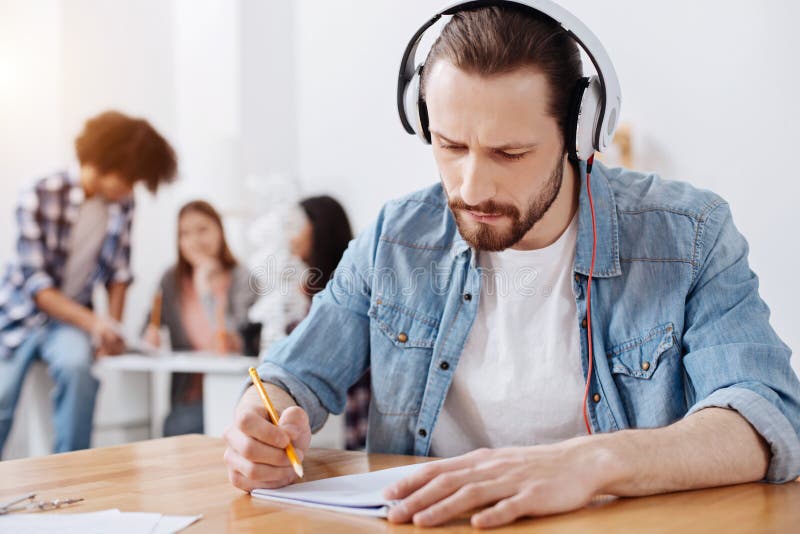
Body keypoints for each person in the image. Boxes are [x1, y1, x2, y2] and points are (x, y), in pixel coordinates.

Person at [222, 2, 800, 529]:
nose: (472, 186)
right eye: (450, 146)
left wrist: (588, 464)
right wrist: (260, 421)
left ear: (582, 134)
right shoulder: (395, 238)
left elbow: (764, 417)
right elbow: (289, 378)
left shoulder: (689, 234)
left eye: (509, 153)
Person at [0, 110, 177, 455]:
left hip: (70, 324)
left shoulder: (122, 204)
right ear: (103, 160)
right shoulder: (39, 191)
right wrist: (95, 323)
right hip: (16, 318)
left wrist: (110, 328)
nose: (129, 188)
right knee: (2, 397)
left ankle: (71, 472)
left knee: (78, 369)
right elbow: (37, 286)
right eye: (128, 178)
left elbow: (119, 275)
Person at [144, 200, 258, 436]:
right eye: (184, 233)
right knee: (174, 426)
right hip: (188, 397)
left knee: (176, 427)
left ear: (220, 231)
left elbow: (231, 344)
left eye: (202, 229)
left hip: (235, 394)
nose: (194, 240)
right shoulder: (170, 280)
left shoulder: (244, 279)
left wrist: (206, 292)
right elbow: (147, 327)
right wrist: (150, 336)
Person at [288, 196, 367, 450]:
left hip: (358, 411)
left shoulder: (348, 284)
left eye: (296, 227)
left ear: (318, 229)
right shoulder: (307, 283)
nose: (291, 237)